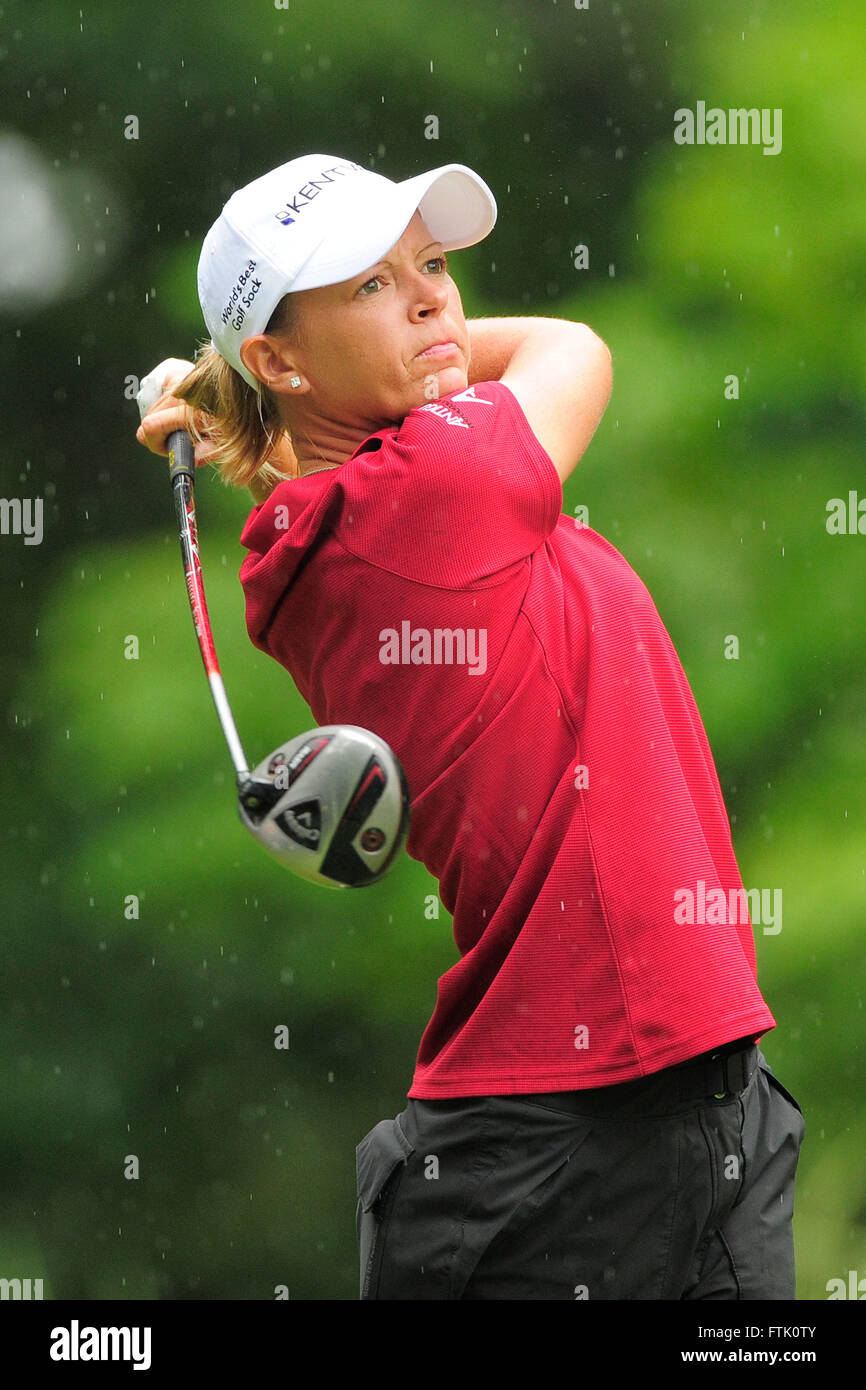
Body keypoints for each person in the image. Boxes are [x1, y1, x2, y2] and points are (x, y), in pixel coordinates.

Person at [136, 152, 805, 1301]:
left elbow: (324, 461)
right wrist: (259, 397)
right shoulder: (441, 485)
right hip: (559, 1146)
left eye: (432, 265)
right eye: (367, 285)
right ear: (276, 356)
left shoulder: (342, 519)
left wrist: (263, 400)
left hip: (681, 1101)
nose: (435, 297)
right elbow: (573, 348)